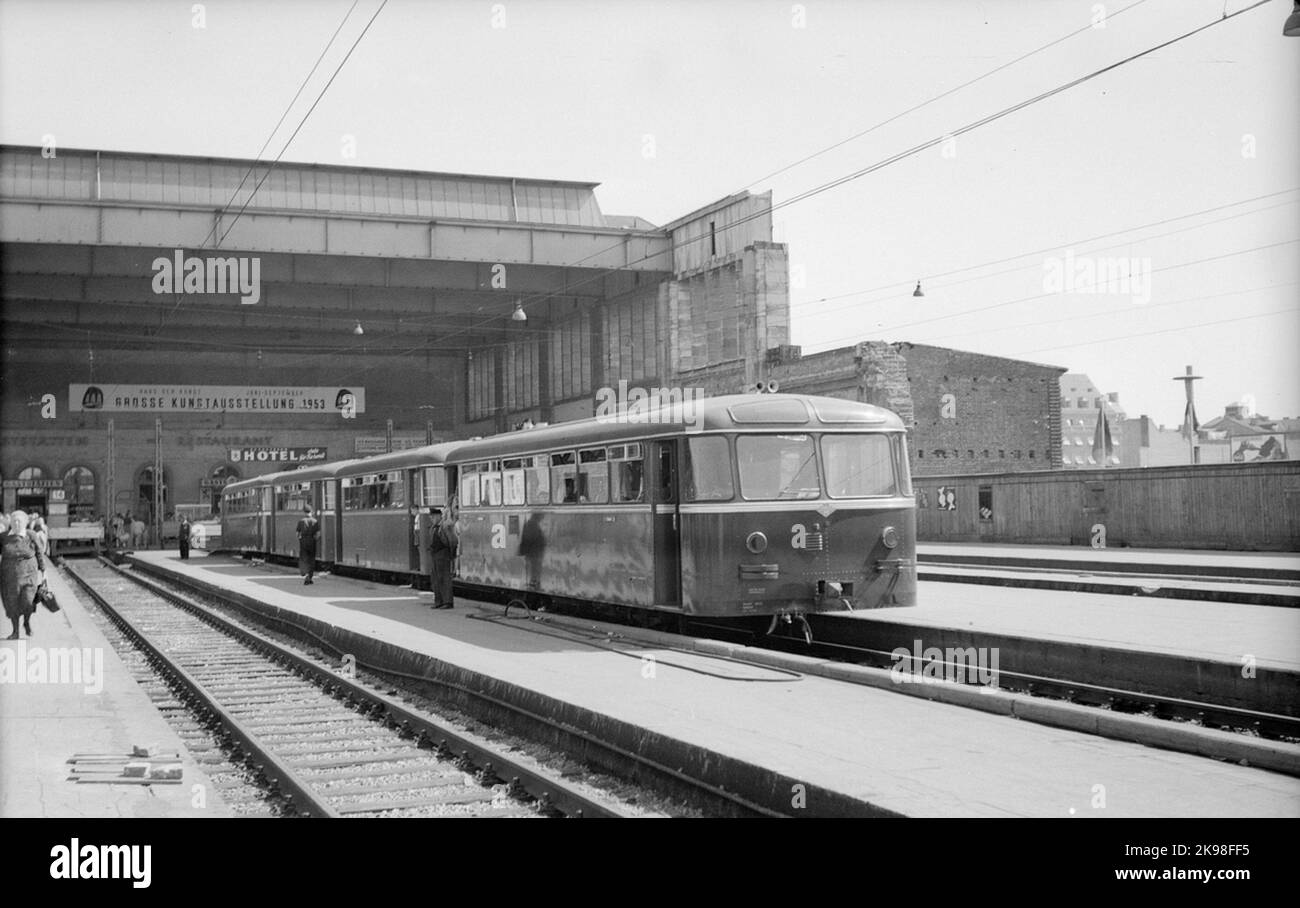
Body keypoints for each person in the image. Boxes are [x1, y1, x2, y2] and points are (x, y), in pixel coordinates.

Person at [2, 510, 46, 639]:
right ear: (10, 523)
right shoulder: (4, 537)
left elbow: (39, 552)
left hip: (29, 574)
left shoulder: (31, 535)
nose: (16, 523)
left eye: (19, 521)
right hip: (8, 576)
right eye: (14, 521)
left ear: (25, 523)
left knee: (28, 600)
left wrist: (44, 571)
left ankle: (26, 622)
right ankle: (15, 631)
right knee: (11, 603)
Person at [425, 507, 457, 609]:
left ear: (439, 516)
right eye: (431, 516)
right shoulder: (434, 527)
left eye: (433, 516)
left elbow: (453, 541)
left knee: (444, 578)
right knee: (435, 579)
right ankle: (438, 601)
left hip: (443, 554)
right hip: (435, 555)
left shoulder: (444, 526)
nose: (432, 518)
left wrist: (450, 553)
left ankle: (447, 602)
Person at [296, 505, 320, 585]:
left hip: (303, 542)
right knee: (311, 559)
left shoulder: (301, 521)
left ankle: (305, 574)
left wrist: (300, 538)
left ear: (304, 512)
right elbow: (318, 534)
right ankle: (310, 576)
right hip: (312, 542)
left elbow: (297, 534)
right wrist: (314, 539)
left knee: (304, 558)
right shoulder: (315, 521)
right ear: (311, 512)